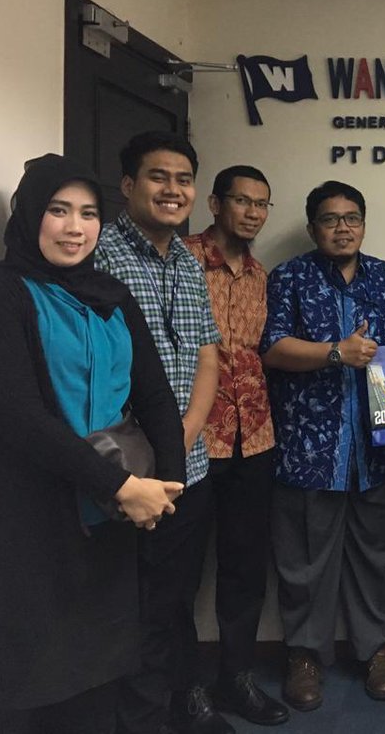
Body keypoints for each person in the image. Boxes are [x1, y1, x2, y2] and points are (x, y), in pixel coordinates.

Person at [0, 154, 184, 734]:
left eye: (89, 214)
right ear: (28, 216)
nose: (75, 228)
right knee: (22, 686)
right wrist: (122, 486)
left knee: (93, 683)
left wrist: (164, 486)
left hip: (103, 521)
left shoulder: (111, 296)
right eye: (58, 210)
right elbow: (18, 418)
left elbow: (154, 394)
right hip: (22, 522)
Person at [261, 181, 385, 709]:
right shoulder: (289, 277)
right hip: (310, 447)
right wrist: (335, 353)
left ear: (364, 224)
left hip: (377, 448)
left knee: (378, 557)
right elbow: (272, 348)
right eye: (330, 219)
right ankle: (305, 656)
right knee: (304, 563)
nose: (343, 228)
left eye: (352, 218)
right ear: (312, 228)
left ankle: (377, 651)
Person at [94, 132, 225, 734]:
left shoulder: (188, 262)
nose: (173, 190)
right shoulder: (98, 255)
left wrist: (183, 440)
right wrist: (156, 455)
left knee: (174, 595)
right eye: (158, 177)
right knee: (130, 604)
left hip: (187, 466)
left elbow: (206, 355)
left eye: (183, 179)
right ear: (128, 185)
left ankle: (181, 706)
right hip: (123, 471)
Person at [182, 166, 289, 727]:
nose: (252, 213)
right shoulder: (181, 261)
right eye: (242, 201)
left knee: (245, 569)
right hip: (194, 440)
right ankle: (183, 689)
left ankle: (236, 679)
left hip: (255, 440)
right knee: (180, 572)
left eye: (261, 204)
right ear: (216, 203)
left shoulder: (259, 275)